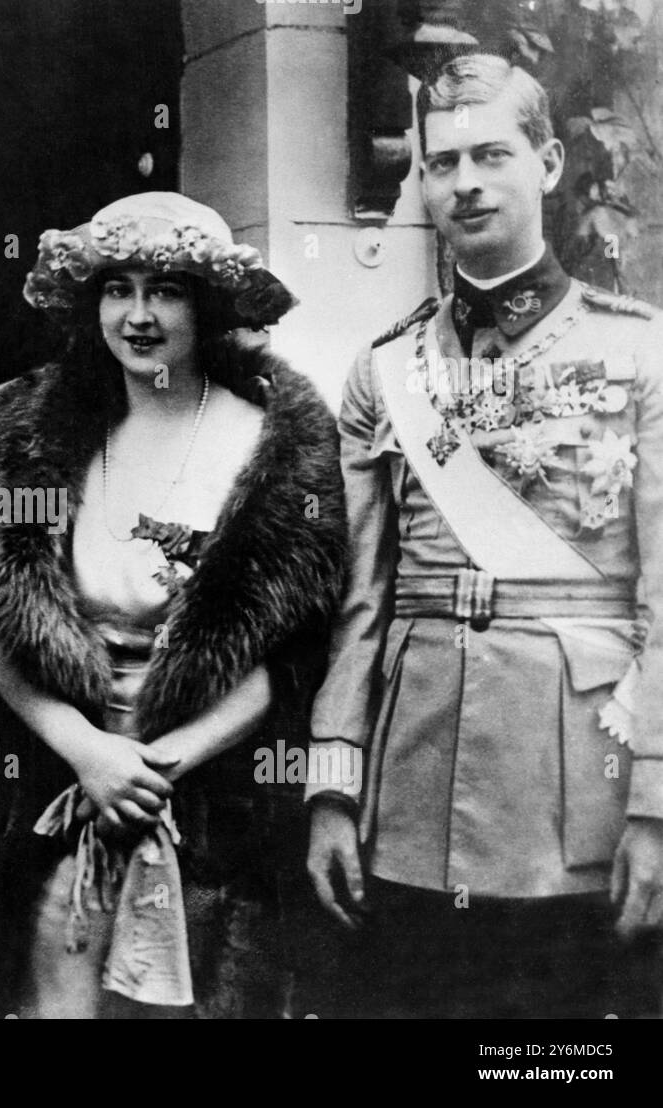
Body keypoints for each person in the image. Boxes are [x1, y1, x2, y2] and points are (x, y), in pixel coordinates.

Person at [307, 54, 663, 1018]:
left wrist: (657, 805)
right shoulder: (384, 371)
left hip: (576, 793)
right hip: (410, 787)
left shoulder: (639, 351)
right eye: (442, 161)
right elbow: (359, 601)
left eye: (492, 154)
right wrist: (334, 785)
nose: (464, 182)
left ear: (548, 164)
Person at [0, 192, 348, 1018]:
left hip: (215, 803)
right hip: (64, 791)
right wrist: (93, 756)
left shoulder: (272, 444)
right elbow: (0, 629)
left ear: (206, 305)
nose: (137, 315)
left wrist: (162, 766)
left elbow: (292, 653)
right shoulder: (42, 437)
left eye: (164, 288)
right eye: (116, 287)